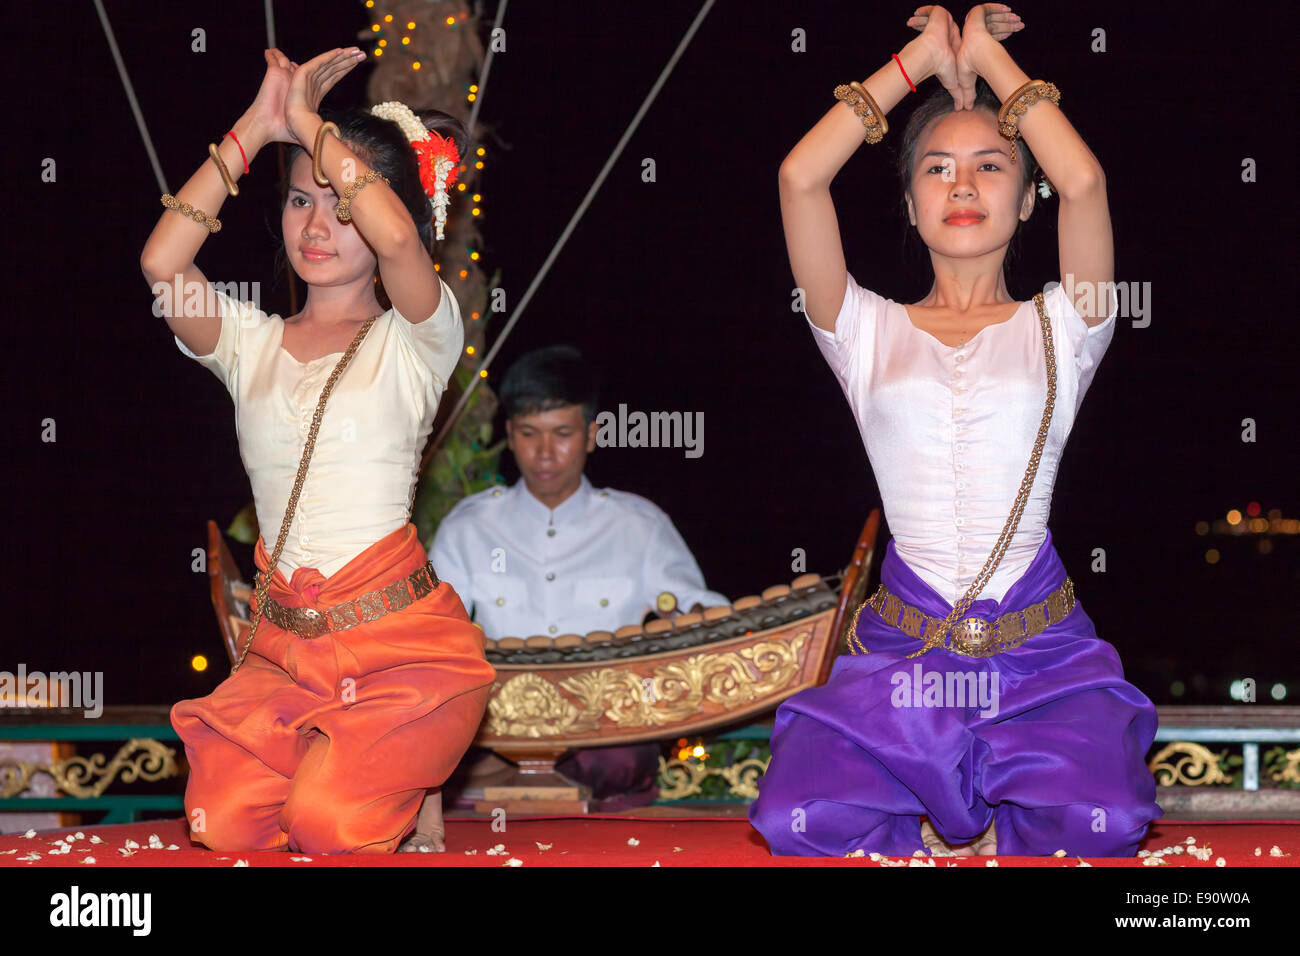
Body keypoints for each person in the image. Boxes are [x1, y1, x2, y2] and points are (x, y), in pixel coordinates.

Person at [748, 4, 1162, 858]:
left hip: (1039, 655)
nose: (963, 187)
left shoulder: (1066, 324)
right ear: (908, 203)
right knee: (801, 813)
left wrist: (988, 62)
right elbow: (798, 179)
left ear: (1025, 195)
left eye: (990, 166)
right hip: (906, 653)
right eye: (936, 169)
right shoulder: (862, 330)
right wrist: (917, 62)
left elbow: (1085, 182)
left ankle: (987, 807)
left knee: (1106, 819)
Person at [144, 46, 494, 854]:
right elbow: (162, 262)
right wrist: (256, 131)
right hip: (284, 650)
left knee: (328, 829)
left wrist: (309, 121)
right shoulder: (248, 342)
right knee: (223, 828)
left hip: (397, 647)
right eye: (302, 200)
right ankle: (351, 762)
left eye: (342, 205)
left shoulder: (418, 336)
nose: (316, 224)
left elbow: (403, 242)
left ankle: (403, 766)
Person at [430, 345, 728, 811]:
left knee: (623, 756)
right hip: (493, 727)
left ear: (591, 435)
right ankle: (509, 773)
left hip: (603, 741)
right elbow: (432, 633)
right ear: (509, 434)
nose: (544, 453)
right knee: (439, 741)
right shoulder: (469, 527)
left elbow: (696, 607)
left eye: (562, 434)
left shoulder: (638, 526)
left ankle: (504, 780)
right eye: (529, 433)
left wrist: (696, 617)